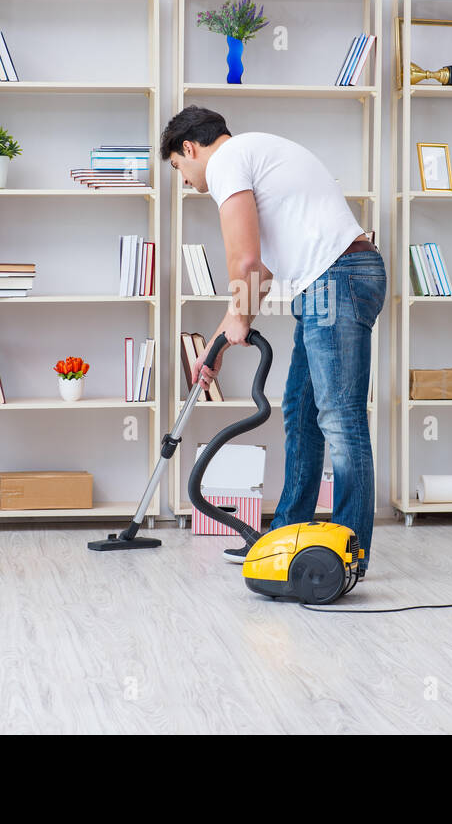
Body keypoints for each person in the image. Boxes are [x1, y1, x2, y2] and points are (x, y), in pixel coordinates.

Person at [160, 105, 385, 576]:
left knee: (340, 420)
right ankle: (284, 541)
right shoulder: (253, 155)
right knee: (302, 415)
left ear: (189, 148)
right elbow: (259, 272)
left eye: (179, 169)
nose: (183, 180)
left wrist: (240, 319)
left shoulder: (226, 161)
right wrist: (220, 340)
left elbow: (244, 263)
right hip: (328, 280)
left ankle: (347, 555)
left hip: (337, 278)